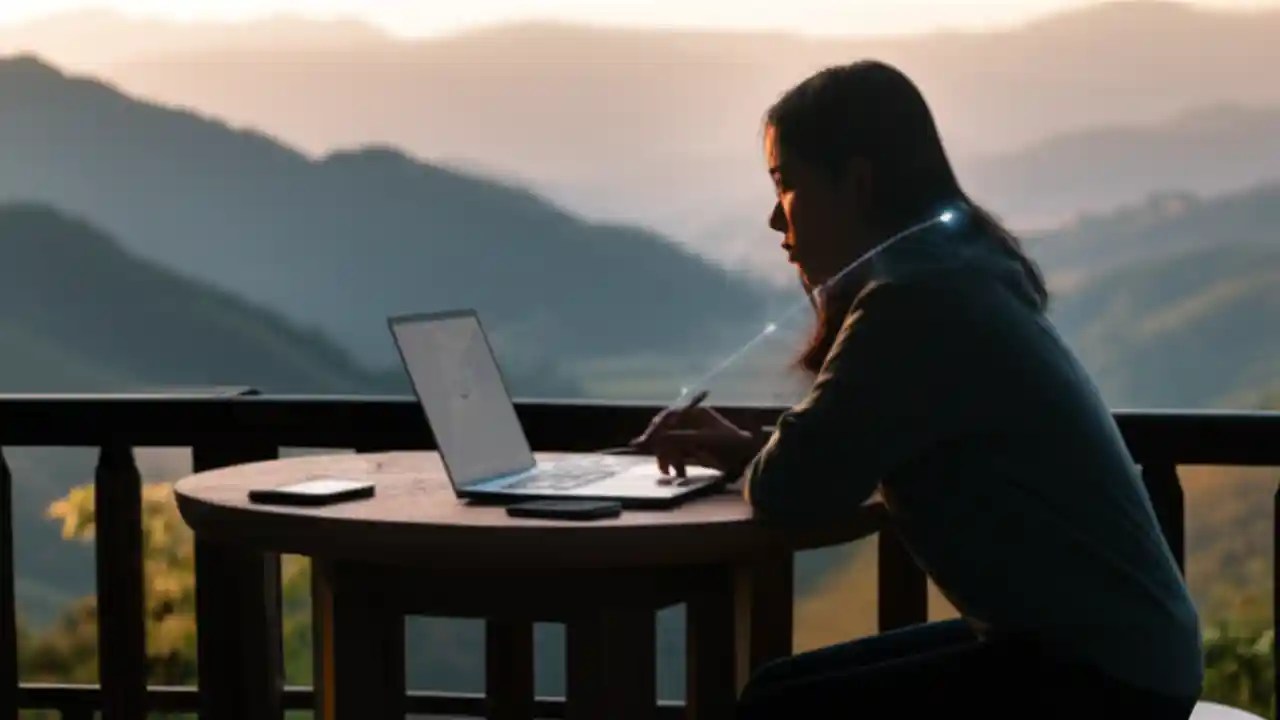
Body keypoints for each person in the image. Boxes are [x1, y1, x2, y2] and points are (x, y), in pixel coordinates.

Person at [632, 60, 1203, 718]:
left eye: (785, 184)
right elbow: (835, 451)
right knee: (779, 692)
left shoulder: (912, 301)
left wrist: (761, 461)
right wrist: (748, 453)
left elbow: (792, 491)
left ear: (857, 183)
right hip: (1125, 652)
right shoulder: (958, 273)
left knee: (778, 706)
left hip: (1102, 676)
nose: (773, 218)